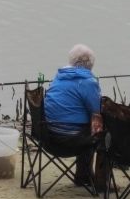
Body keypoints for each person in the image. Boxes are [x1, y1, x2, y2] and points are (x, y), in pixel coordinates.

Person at [41, 44, 103, 187]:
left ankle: (83, 175)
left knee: (84, 126)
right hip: (70, 140)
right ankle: (100, 182)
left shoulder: (59, 76)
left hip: (47, 135)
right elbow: (97, 111)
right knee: (102, 133)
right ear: (91, 64)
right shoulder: (87, 82)